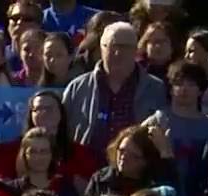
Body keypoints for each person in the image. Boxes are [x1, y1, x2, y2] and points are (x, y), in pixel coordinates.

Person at [62, 22, 169, 154]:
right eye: (112, 46)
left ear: (135, 50)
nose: (118, 53)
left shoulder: (155, 88)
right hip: (87, 164)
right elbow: (63, 133)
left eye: (125, 47)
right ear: (101, 49)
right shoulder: (78, 88)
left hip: (137, 164)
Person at [147, 61, 208, 190]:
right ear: (170, 88)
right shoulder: (157, 121)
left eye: (191, 84)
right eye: (178, 83)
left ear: (200, 90)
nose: (184, 89)